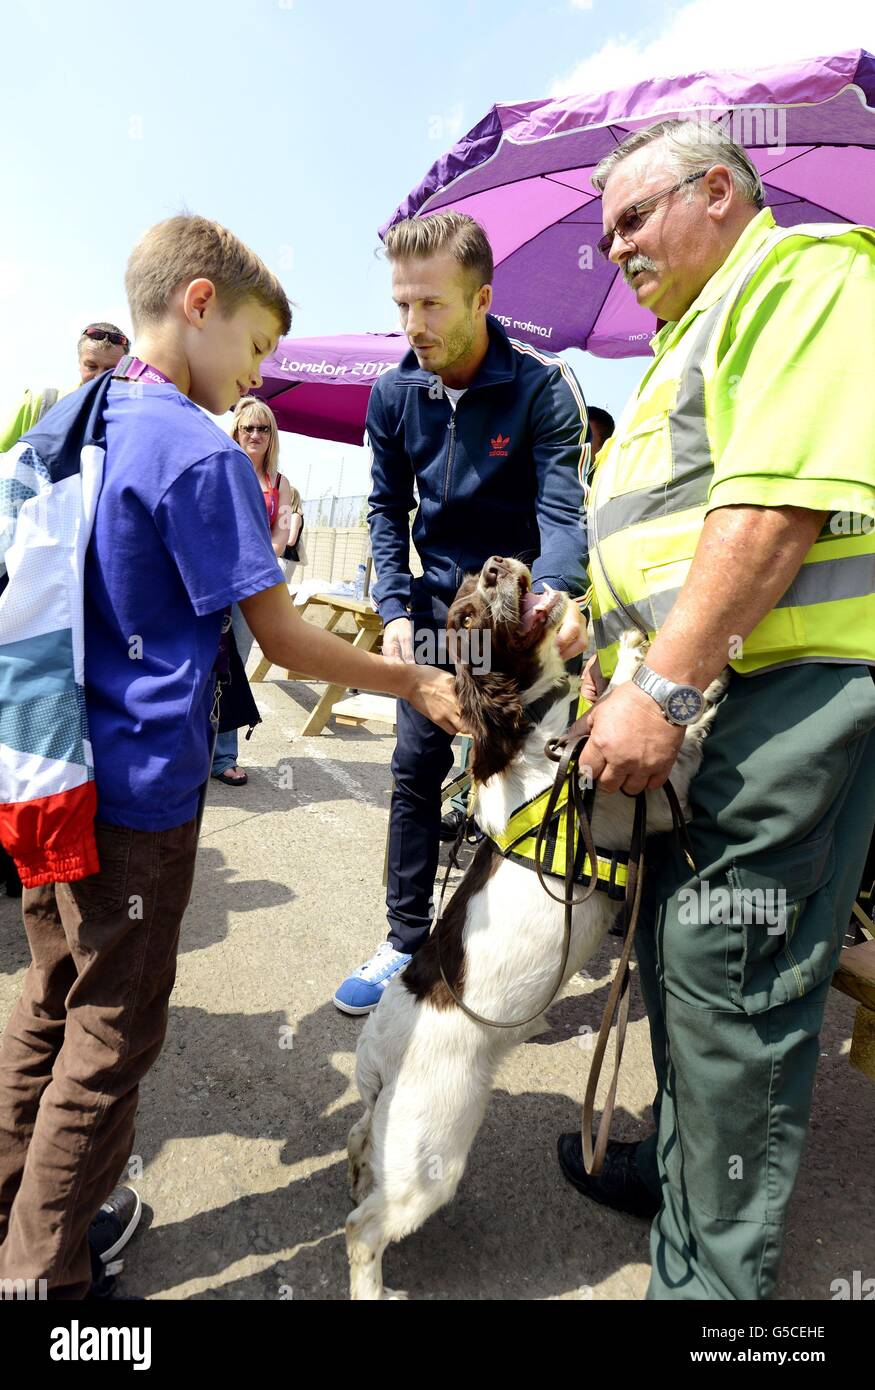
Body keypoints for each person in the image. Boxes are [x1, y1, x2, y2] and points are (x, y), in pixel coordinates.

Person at [0, 213, 461, 1300]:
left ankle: (21, 1203)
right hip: (136, 800)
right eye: (256, 347)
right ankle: (45, 1275)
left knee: (48, 999)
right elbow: (286, 637)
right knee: (109, 1042)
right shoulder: (196, 450)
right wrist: (415, 679)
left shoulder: (73, 416)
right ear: (199, 303)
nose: (258, 376)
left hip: (46, 771)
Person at [553, 118, 875, 1300]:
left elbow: (768, 518)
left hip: (777, 694)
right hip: (693, 704)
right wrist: (610, 664)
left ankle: (710, 1290)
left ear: (717, 191)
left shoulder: (804, 275)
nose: (615, 249)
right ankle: (683, 1179)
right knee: (682, 960)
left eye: (633, 218)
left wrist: (666, 684)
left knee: (729, 976)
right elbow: (649, 541)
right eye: (605, 234)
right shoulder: (676, 347)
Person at [333, 211, 590, 1015]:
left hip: (514, 620)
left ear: (482, 299)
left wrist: (555, 594)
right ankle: (404, 940)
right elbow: (383, 508)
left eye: (432, 305)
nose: (413, 325)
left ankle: (505, 948)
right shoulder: (391, 394)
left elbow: (561, 510)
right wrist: (394, 604)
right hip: (434, 612)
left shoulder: (542, 387)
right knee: (414, 774)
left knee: (517, 778)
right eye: (403, 304)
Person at [210, 395, 292, 786]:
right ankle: (195, 749)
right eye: (249, 428)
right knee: (202, 663)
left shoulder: (280, 483)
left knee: (233, 669)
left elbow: (279, 538)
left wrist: (264, 548)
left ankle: (223, 755)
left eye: (264, 428)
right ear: (236, 432)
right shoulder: (222, 468)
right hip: (216, 581)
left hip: (254, 585)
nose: (256, 434)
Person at [0, 323, 130, 452]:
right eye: (91, 366)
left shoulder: (130, 417)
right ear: (79, 363)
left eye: (110, 370)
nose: (99, 377)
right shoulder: (39, 403)